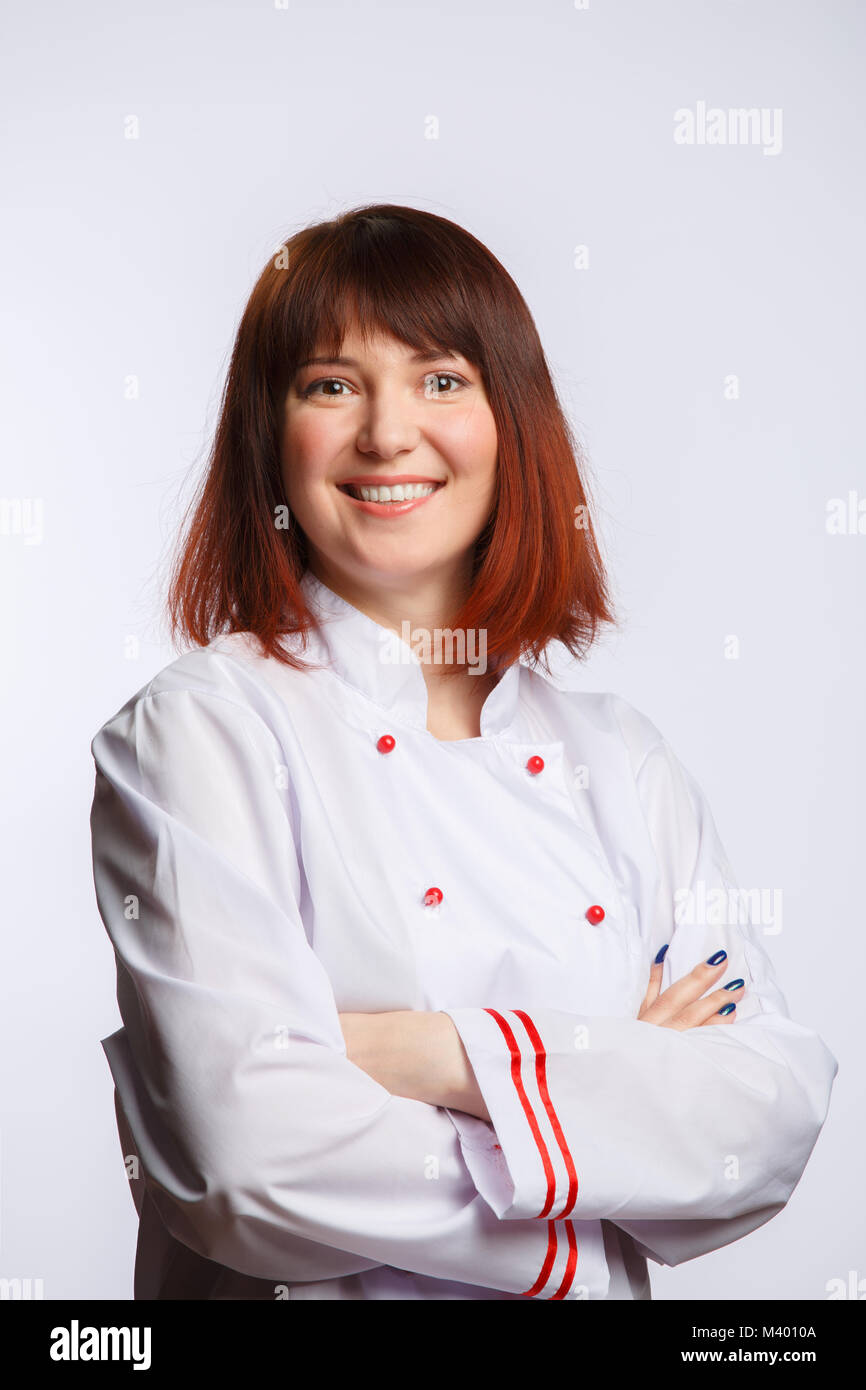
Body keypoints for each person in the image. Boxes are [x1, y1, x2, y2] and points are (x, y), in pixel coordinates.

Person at [89, 202, 837, 1301]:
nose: (388, 434)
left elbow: (767, 1117)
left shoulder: (620, 762)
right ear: (269, 433)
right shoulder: (203, 728)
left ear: (510, 423)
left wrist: (430, 1053)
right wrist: (596, 1102)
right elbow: (242, 1160)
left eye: (441, 379)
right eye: (330, 384)